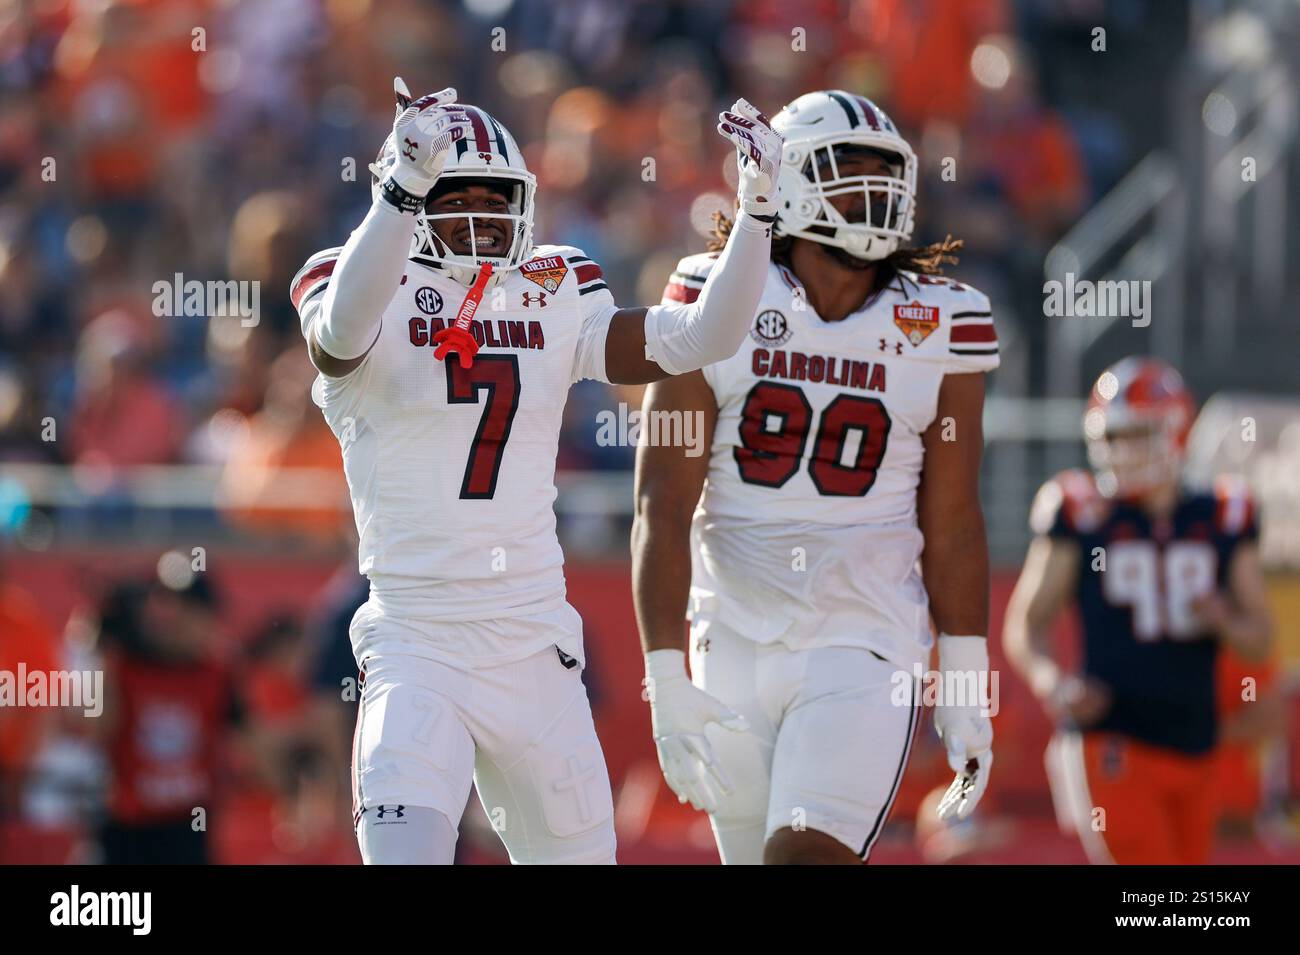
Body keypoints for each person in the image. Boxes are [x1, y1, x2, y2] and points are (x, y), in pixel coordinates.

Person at [289, 80, 784, 864]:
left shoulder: (554, 286)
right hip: (417, 642)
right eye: (457, 197)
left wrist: (757, 214)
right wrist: (399, 191)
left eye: (499, 198)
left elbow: (703, 336)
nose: (483, 217)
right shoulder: (356, 279)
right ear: (411, 197)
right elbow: (341, 333)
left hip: (533, 645)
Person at [632, 90, 999, 864]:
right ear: (787, 182)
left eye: (884, 173)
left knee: (801, 856)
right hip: (728, 632)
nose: (874, 191)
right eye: (848, 170)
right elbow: (661, 501)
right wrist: (663, 675)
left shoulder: (942, 320)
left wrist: (965, 680)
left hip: (863, 640)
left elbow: (956, 515)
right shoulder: (710, 296)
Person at [1002, 357, 1273, 864]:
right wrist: (1052, 682)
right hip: (1112, 737)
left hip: (1198, 742)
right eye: (1113, 437)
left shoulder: (1221, 513)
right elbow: (1027, 624)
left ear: (1176, 432)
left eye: (1136, 435)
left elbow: (1261, 639)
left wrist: (1223, 618)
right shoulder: (1081, 511)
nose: (1120, 452)